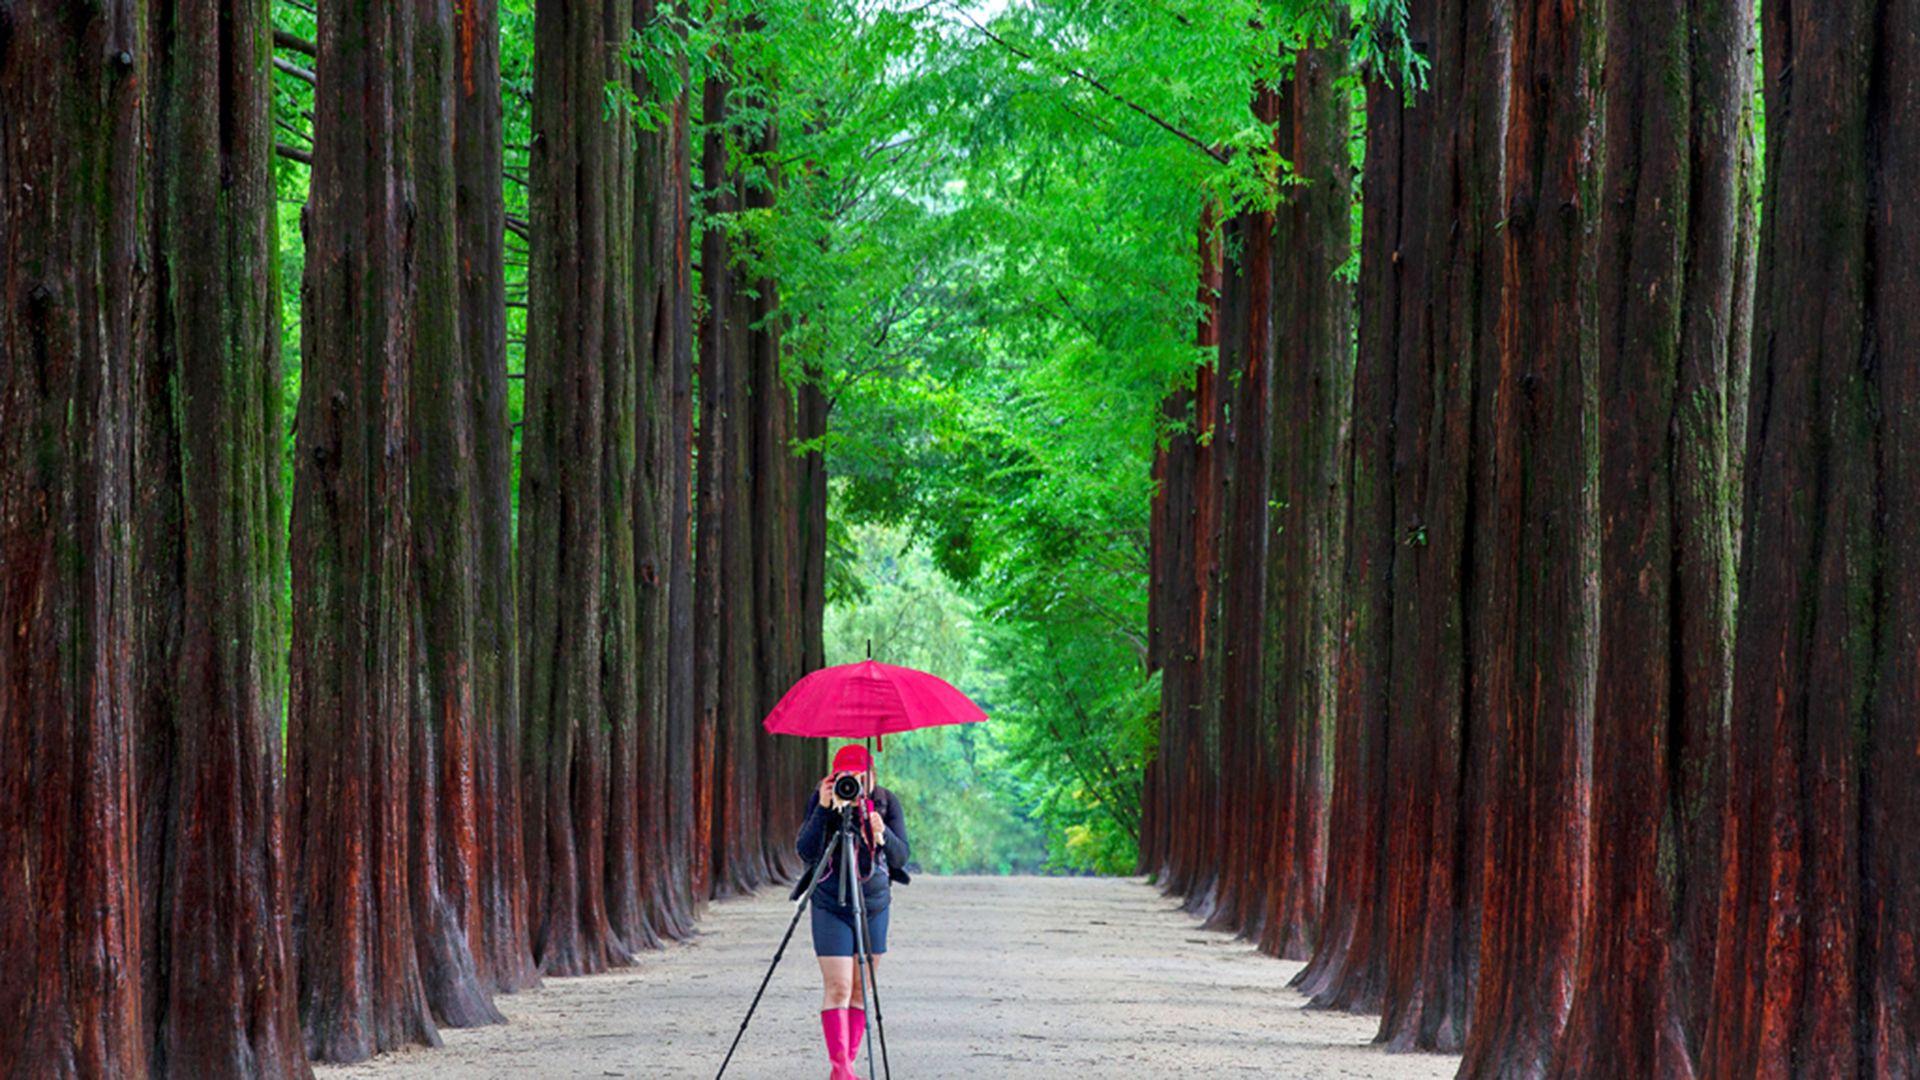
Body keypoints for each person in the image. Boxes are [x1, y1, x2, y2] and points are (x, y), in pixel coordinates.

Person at [796, 743, 909, 1080]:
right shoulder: (823, 800)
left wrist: (881, 833)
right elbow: (804, 849)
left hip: (874, 904)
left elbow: (902, 858)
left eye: (860, 777)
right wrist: (825, 809)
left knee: (861, 990)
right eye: (846, 777)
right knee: (839, 987)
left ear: (872, 777)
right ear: (833, 777)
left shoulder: (887, 804)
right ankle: (842, 1070)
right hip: (831, 903)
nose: (853, 785)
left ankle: (846, 1065)